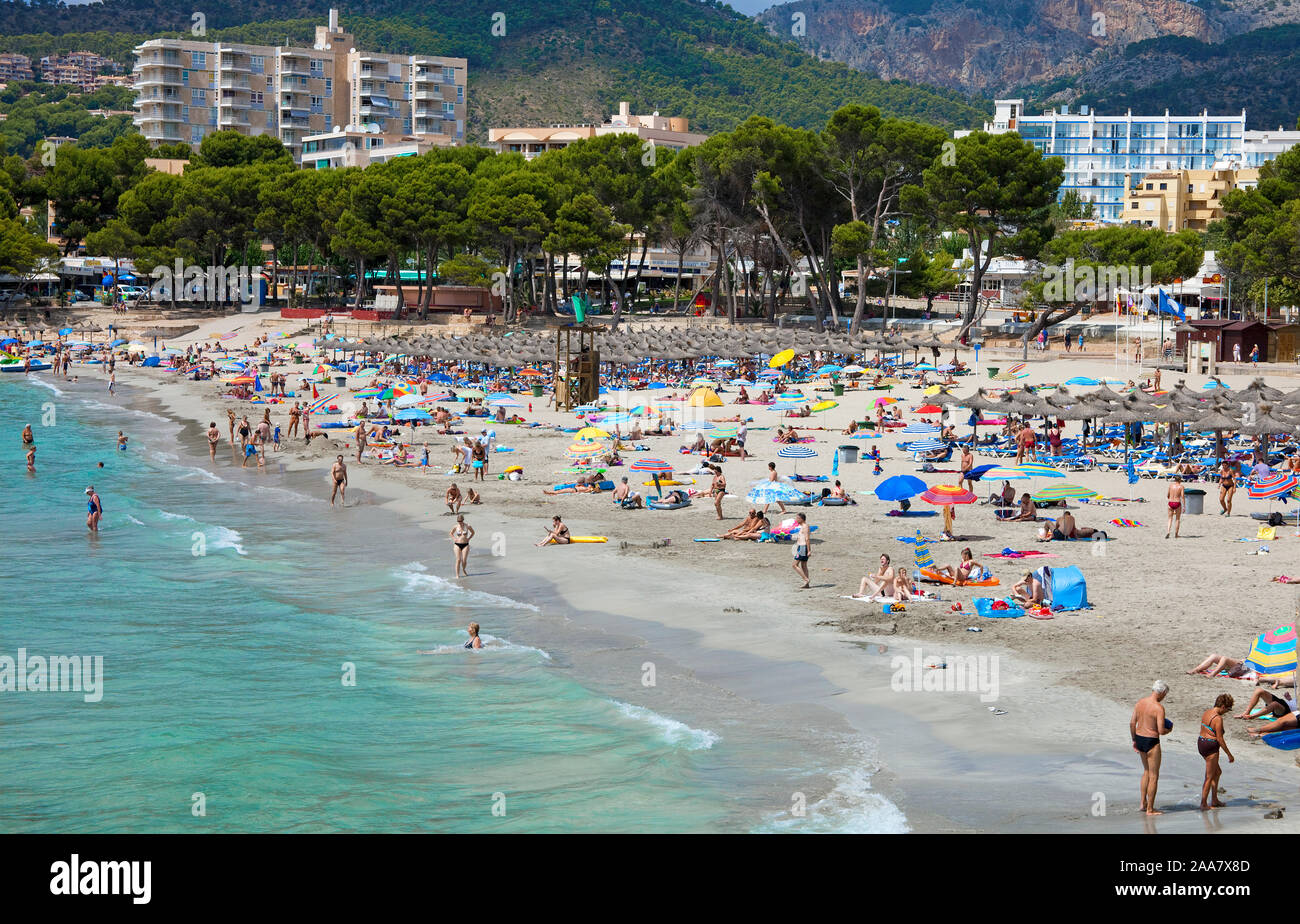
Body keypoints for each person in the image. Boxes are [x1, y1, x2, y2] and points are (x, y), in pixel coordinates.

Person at [1130, 680, 1172, 815]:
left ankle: (1143, 803)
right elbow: (1160, 730)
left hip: (1140, 738)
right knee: (1154, 776)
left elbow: (1132, 723)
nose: (1164, 698)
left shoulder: (1140, 702)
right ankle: (1150, 809)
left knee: (1146, 772)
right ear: (1162, 693)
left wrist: (1134, 740)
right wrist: (1169, 730)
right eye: (1165, 695)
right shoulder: (1158, 708)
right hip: (1152, 740)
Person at [1198, 694, 1235, 810]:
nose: (1227, 712)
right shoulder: (1218, 719)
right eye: (1228, 709)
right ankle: (1204, 803)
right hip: (1211, 746)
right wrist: (1229, 754)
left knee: (1217, 772)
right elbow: (1220, 739)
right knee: (1209, 776)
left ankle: (1214, 799)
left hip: (1201, 743)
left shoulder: (1207, 712)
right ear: (1223, 706)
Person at [450, 514, 474, 578]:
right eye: (458, 521)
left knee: (464, 560)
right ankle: (457, 575)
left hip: (465, 544)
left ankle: (463, 569)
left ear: (463, 520)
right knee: (458, 559)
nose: (460, 522)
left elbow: (473, 532)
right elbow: (451, 533)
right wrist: (454, 538)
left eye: (461, 521)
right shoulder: (455, 526)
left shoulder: (468, 526)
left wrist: (468, 538)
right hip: (457, 545)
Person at [791, 513, 811, 589]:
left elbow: (807, 539)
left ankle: (806, 579)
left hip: (803, 547)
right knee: (803, 565)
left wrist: (809, 550)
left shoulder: (805, 526)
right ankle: (806, 584)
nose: (796, 520)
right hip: (801, 547)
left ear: (801, 519)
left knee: (794, 565)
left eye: (797, 518)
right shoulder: (802, 526)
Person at [1166, 474, 1184, 539]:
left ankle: (1168, 531)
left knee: (1170, 519)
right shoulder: (1181, 486)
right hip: (1177, 503)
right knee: (1177, 519)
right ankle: (1176, 534)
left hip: (1170, 503)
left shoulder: (1171, 486)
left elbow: (1168, 495)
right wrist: (1184, 506)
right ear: (1179, 480)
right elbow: (1182, 497)